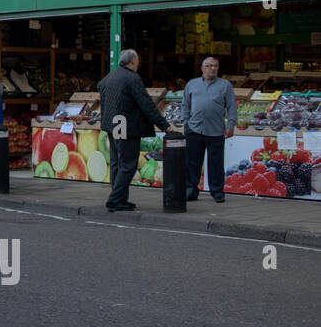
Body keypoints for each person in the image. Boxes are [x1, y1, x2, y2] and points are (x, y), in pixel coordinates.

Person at [98, 49, 180, 212]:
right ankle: (115, 200)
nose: (139, 64)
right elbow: (147, 105)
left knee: (117, 162)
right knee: (128, 163)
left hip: (111, 124)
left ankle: (119, 197)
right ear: (133, 62)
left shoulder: (109, 77)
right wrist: (165, 125)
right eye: (138, 61)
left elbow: (102, 93)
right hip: (125, 125)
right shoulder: (132, 78)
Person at [181, 56, 236, 203]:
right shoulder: (192, 84)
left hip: (216, 131)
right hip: (194, 129)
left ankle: (217, 191)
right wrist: (185, 123)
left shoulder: (225, 85)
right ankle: (191, 190)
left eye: (216, 66)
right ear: (202, 68)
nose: (213, 68)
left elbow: (231, 107)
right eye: (210, 66)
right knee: (192, 162)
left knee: (216, 163)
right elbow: (185, 105)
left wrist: (230, 125)